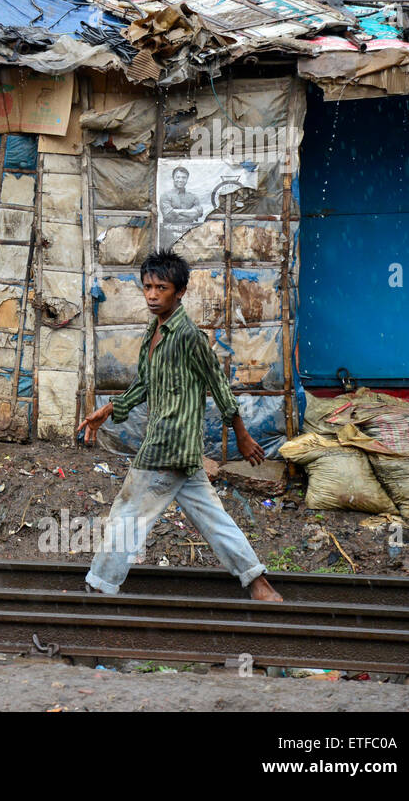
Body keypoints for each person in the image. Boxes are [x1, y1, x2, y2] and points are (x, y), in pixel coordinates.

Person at [76, 249, 282, 602]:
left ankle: (100, 587)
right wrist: (109, 409)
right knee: (212, 517)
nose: (153, 295)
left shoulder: (188, 335)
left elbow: (218, 384)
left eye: (161, 288)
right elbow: (144, 383)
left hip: (167, 444)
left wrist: (242, 434)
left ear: (180, 291)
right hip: (181, 449)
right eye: (148, 287)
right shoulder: (155, 331)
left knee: (127, 512)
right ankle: (258, 583)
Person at [158, 165, 202, 250]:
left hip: (188, 234)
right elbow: (168, 215)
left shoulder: (193, 197)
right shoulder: (165, 196)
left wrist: (176, 211)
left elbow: (199, 212)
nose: (181, 180)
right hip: (169, 233)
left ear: (187, 179)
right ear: (173, 178)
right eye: (178, 177)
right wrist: (190, 212)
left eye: (183, 177)